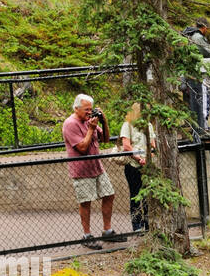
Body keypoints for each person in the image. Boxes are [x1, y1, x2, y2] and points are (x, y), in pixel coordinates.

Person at [63, 94, 115, 249]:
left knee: (109, 194)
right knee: (86, 202)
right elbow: (82, 148)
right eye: (86, 110)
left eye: (91, 110)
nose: (89, 113)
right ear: (76, 108)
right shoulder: (70, 124)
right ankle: (87, 235)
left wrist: (104, 121)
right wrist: (91, 129)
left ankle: (107, 230)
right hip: (82, 169)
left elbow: (105, 139)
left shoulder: (88, 121)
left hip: (96, 166)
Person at [119, 102, 156, 233]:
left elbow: (152, 144)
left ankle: (148, 223)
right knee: (135, 195)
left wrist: (148, 158)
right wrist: (139, 158)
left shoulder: (148, 125)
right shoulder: (127, 125)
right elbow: (126, 146)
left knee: (147, 195)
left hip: (146, 165)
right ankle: (137, 225)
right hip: (133, 165)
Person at [182, 19, 210, 133]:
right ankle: (202, 127)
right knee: (202, 99)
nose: (207, 30)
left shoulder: (193, 36)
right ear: (203, 27)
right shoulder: (198, 37)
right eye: (206, 28)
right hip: (198, 75)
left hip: (192, 74)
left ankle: (199, 126)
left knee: (195, 101)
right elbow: (205, 52)